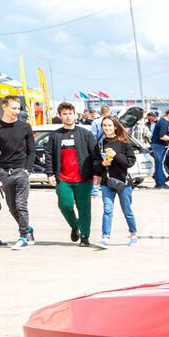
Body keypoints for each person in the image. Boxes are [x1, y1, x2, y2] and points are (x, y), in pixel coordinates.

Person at [45, 101, 98, 246]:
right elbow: (49, 155)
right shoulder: (55, 136)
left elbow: (95, 155)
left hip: (83, 179)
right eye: (65, 114)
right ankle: (75, 225)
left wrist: (97, 173)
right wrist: (50, 174)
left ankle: (85, 236)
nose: (68, 117)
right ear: (60, 116)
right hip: (63, 180)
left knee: (84, 209)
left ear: (75, 115)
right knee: (65, 205)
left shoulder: (86, 134)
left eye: (70, 114)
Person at [0, 95, 35, 248]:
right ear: (4, 107)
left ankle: (23, 237)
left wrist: (27, 170)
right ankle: (28, 229)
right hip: (4, 173)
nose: (16, 111)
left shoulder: (25, 127)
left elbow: (32, 151)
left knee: (21, 204)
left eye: (18, 108)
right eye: (13, 108)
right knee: (11, 206)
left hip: (21, 171)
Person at [93, 115, 138, 247]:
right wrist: (103, 163)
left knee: (127, 210)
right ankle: (105, 237)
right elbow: (95, 164)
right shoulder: (100, 144)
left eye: (109, 125)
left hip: (123, 182)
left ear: (116, 127)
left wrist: (115, 155)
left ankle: (133, 234)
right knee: (107, 210)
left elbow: (130, 162)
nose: (107, 128)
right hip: (107, 182)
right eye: (104, 125)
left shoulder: (124, 143)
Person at [149, 109, 169, 188]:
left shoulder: (165, 122)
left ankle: (159, 182)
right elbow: (162, 136)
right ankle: (160, 183)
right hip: (158, 146)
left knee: (159, 164)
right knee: (160, 164)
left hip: (159, 145)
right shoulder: (163, 123)